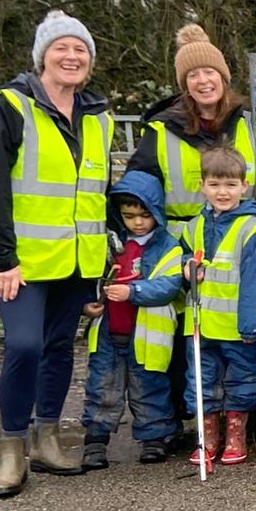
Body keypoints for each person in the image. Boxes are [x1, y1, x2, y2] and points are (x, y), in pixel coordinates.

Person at [0, 9, 115, 498]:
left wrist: (100, 268)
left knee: (57, 348)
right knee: (25, 346)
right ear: (41, 58)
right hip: (23, 263)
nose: (72, 57)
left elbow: (97, 195)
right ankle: (12, 450)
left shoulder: (99, 117)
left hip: (77, 261)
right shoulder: (8, 108)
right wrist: (2, 257)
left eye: (81, 50)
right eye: (62, 48)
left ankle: (47, 438)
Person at [78, 170, 184, 469]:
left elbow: (169, 285)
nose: (137, 222)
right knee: (102, 388)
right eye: (129, 216)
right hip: (109, 332)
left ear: (156, 213)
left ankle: (154, 439)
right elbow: (90, 278)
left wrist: (133, 291)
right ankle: (95, 442)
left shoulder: (168, 246)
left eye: (144, 215)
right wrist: (88, 303)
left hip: (147, 336)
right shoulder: (107, 243)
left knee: (149, 388)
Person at [178, 146, 256, 467]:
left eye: (231, 185)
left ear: (243, 187)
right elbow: (180, 258)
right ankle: (208, 438)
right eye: (215, 184)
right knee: (202, 380)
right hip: (201, 323)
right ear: (202, 185)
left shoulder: (252, 229)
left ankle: (235, 435)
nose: (223, 192)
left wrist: (251, 325)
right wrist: (185, 267)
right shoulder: (193, 226)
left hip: (237, 325)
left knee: (241, 380)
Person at [127, 23, 255, 226]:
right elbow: (137, 192)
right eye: (192, 75)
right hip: (180, 245)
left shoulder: (246, 123)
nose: (203, 81)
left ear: (223, 78)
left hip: (238, 238)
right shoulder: (161, 129)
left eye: (209, 71)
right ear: (184, 85)